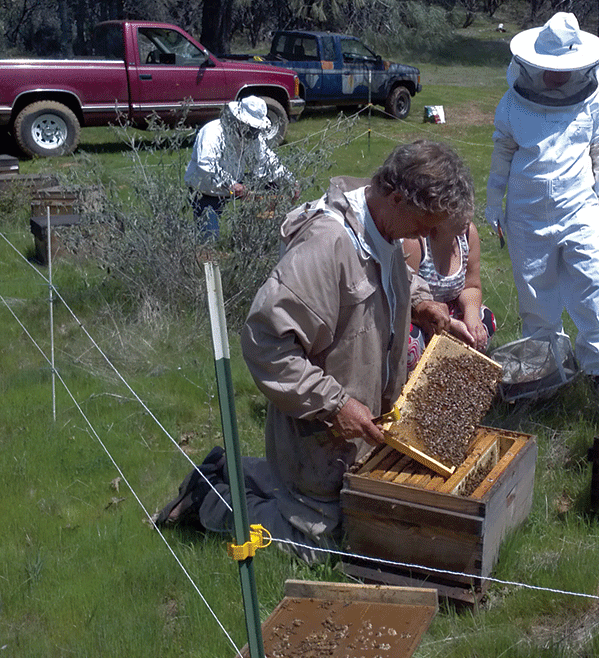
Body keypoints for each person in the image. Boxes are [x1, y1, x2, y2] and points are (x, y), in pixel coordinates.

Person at [154, 140, 474, 563]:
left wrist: (421, 303)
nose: (424, 236)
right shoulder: (327, 245)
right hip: (318, 432)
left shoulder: (382, 223)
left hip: (359, 431)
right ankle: (208, 498)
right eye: (423, 224)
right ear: (397, 197)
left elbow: (383, 276)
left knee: (366, 516)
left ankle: (233, 472)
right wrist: (335, 404)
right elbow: (267, 341)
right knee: (322, 546)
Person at [485, 11, 599, 410]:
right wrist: (494, 205)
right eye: (548, 68)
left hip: (580, 208)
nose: (557, 76)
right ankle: (544, 377)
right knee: (535, 295)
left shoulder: (594, 98)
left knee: (595, 287)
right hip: (526, 212)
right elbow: (502, 152)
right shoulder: (513, 102)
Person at [184, 95, 296, 242]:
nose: (254, 132)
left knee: (273, 185)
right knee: (209, 238)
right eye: (251, 127)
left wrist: (291, 181)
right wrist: (233, 185)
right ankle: (207, 262)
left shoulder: (254, 139)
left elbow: (268, 162)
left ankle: (250, 239)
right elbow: (206, 166)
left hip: (235, 183)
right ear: (238, 121)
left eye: (256, 128)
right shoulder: (212, 132)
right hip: (206, 190)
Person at [403, 218, 496, 368]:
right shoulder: (415, 240)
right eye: (459, 210)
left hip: (450, 313)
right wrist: (449, 324)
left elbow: (471, 286)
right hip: (419, 317)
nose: (466, 216)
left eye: (469, 208)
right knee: (409, 343)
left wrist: (471, 316)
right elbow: (404, 299)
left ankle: (460, 372)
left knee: (485, 320)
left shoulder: (468, 233)